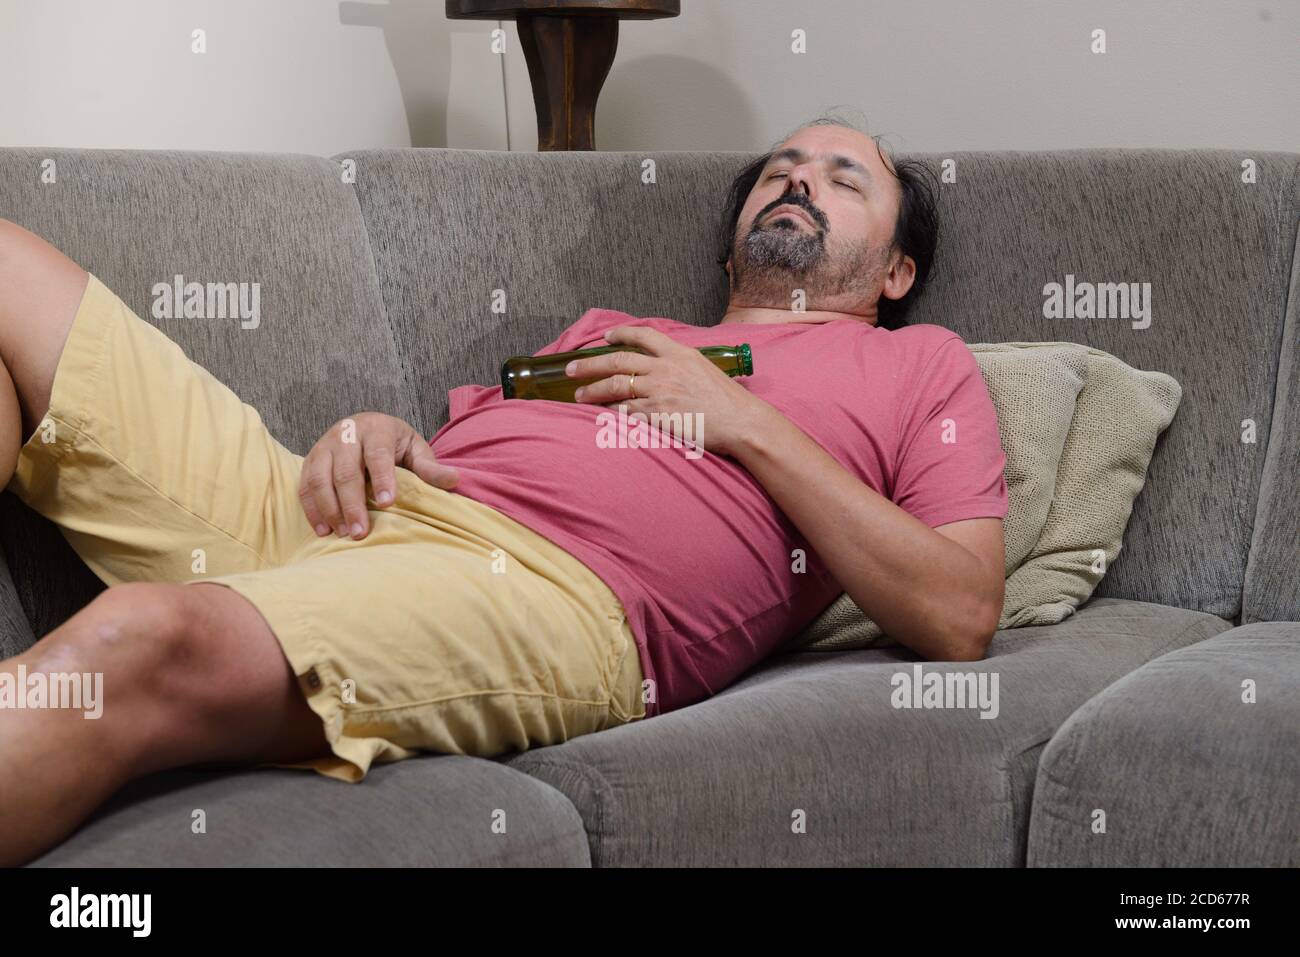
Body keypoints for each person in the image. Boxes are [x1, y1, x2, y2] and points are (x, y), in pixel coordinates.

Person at [0, 116, 1006, 864]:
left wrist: (743, 420)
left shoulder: (921, 368)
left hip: (544, 596)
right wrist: (379, 433)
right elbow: (459, 450)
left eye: (841, 180)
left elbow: (960, 612)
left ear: (897, 271)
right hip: (360, 519)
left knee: (135, 640)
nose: (797, 183)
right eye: (780, 171)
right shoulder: (610, 328)